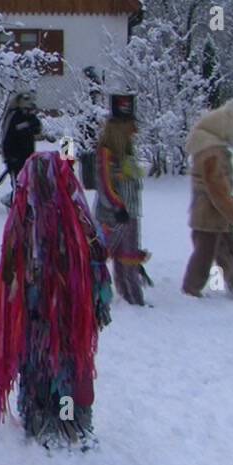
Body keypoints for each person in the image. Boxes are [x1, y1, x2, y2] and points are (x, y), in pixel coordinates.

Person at [0, 151, 112, 450]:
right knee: (58, 366)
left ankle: (53, 420)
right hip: (52, 311)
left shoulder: (33, 216)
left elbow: (12, 268)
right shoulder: (62, 214)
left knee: (51, 365)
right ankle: (62, 419)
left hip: (56, 310)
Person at [182, 99, 233, 301]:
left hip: (210, 211)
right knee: (206, 254)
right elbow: (216, 186)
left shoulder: (209, 148)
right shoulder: (212, 152)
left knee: (225, 249)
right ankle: (192, 288)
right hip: (210, 212)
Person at [94, 94, 151, 306]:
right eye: (130, 126)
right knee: (100, 255)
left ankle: (133, 297)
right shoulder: (106, 153)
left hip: (131, 213)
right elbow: (104, 185)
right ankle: (94, 295)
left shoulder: (127, 151)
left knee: (128, 256)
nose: (134, 131)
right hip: (114, 215)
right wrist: (117, 206)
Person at [0, 91, 42, 206]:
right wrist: (8, 156)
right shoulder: (13, 116)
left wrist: (32, 124)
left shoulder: (30, 117)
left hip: (28, 156)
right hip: (14, 156)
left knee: (29, 181)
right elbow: (6, 136)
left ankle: (26, 203)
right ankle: (16, 203)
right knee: (18, 182)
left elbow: (37, 129)